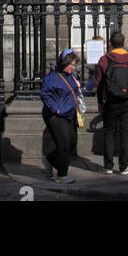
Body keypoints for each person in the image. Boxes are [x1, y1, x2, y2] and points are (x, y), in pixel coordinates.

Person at [95, 30, 128, 174]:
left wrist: (100, 102)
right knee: (125, 133)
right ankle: (124, 166)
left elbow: (98, 84)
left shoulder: (104, 60)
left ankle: (108, 166)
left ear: (110, 44)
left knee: (109, 132)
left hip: (110, 101)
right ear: (125, 43)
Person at [40, 48, 84, 183]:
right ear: (64, 64)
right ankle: (62, 174)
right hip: (56, 116)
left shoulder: (70, 76)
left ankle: (49, 158)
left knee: (72, 142)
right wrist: (56, 109)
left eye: (74, 65)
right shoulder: (52, 78)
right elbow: (44, 94)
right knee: (63, 144)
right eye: (71, 65)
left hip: (70, 114)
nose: (73, 67)